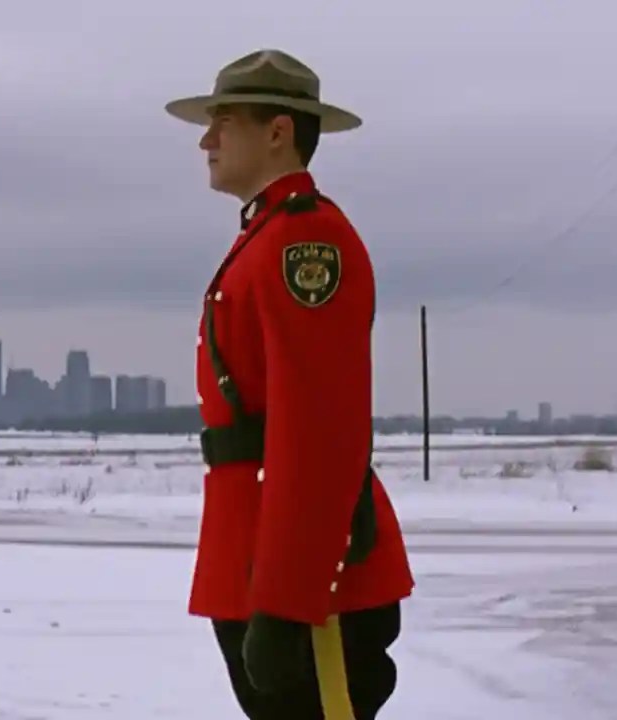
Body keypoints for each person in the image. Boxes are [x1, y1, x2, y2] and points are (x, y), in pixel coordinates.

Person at [163, 49, 416, 719]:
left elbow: (319, 433)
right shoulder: (268, 237)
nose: (206, 141)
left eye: (223, 121)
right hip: (257, 559)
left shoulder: (306, 245)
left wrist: (286, 599)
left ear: (278, 131)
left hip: (311, 587)